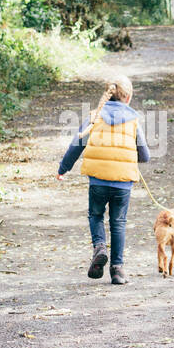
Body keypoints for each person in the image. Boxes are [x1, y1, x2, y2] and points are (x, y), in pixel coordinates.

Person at [57, 76, 150, 285]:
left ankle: (99, 246)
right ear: (128, 97)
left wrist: (63, 168)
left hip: (98, 181)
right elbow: (145, 155)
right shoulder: (134, 120)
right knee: (118, 223)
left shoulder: (94, 116)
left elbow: (76, 144)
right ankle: (117, 270)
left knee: (95, 215)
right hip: (123, 183)